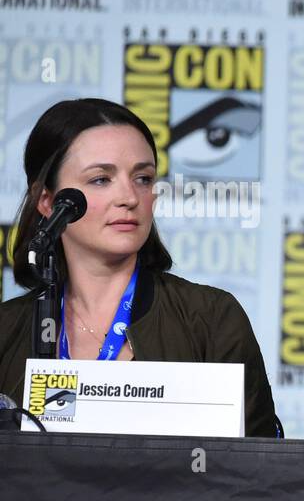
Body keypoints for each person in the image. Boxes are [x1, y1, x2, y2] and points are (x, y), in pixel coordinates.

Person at [0, 98, 278, 437]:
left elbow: (260, 474)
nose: (129, 197)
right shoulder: (7, 330)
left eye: (143, 178)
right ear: (47, 201)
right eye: (101, 179)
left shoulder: (212, 318)